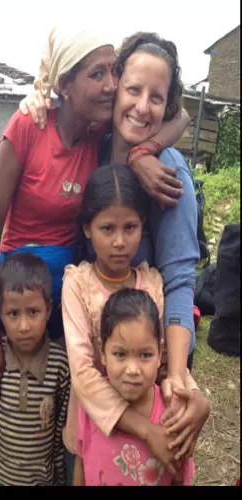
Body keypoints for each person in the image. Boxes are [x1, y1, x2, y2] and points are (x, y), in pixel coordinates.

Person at [0, 25, 189, 403]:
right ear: (64, 85)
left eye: (113, 72)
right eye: (98, 74)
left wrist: (145, 151)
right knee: (15, 405)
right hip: (21, 296)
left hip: (76, 303)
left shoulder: (101, 135)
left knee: (63, 404)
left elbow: (181, 116)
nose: (111, 85)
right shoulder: (31, 126)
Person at [62, 164, 210, 478]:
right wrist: (145, 430)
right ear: (88, 227)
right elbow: (83, 372)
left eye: (129, 227)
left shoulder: (153, 284)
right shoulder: (77, 285)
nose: (119, 241)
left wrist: (195, 397)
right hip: (94, 425)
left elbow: (162, 356)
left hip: (150, 439)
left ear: (143, 224)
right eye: (107, 229)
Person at [0, 252, 70, 486]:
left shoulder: (60, 365)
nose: (24, 326)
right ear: (1, 315)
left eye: (33, 312)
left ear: (49, 310)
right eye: (13, 314)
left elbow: (60, 436)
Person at [74, 288, 195, 486]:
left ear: (160, 351)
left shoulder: (172, 414)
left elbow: (180, 479)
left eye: (145, 355)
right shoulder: (90, 405)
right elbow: (81, 463)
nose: (132, 370)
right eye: (120, 354)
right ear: (102, 352)